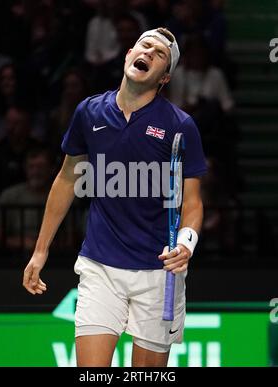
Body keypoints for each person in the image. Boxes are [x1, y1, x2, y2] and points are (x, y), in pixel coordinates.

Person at [23, 27, 207, 367]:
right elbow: (66, 180)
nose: (149, 52)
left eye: (159, 54)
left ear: (164, 78)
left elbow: (193, 202)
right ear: (128, 56)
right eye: (144, 46)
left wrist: (187, 244)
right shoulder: (89, 112)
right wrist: (40, 250)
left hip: (159, 272)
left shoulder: (180, 126)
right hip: (100, 266)